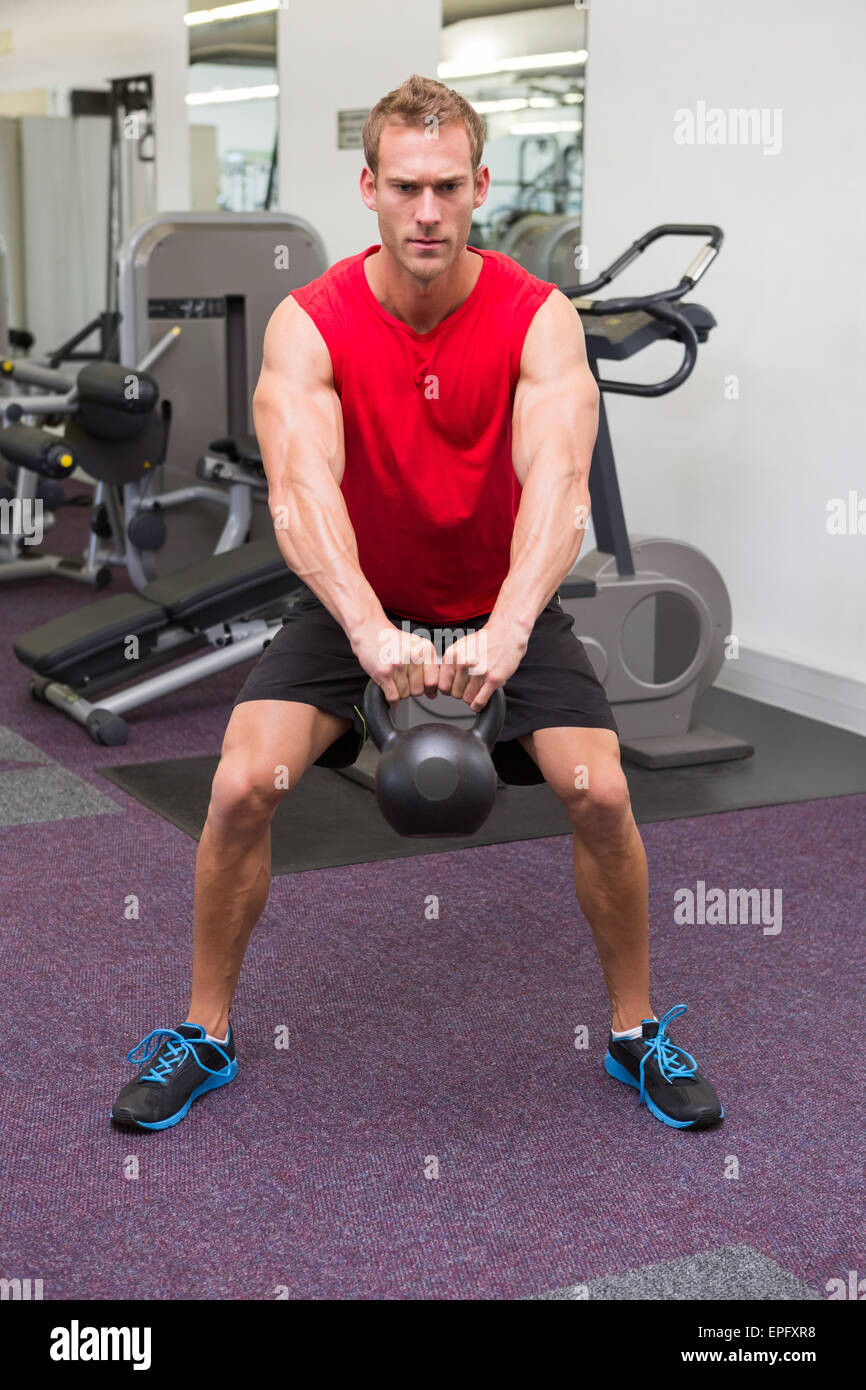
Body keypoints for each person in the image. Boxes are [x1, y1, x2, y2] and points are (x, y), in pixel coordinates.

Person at [111, 74, 723, 1133]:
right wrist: (364, 625)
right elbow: (299, 492)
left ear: (481, 185)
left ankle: (634, 1031)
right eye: (405, 187)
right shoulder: (311, 324)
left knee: (601, 794)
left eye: (447, 186)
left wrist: (511, 625)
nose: (427, 211)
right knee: (242, 782)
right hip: (359, 601)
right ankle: (204, 1031)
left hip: (500, 601)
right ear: (370, 189)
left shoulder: (537, 321)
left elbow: (558, 488)